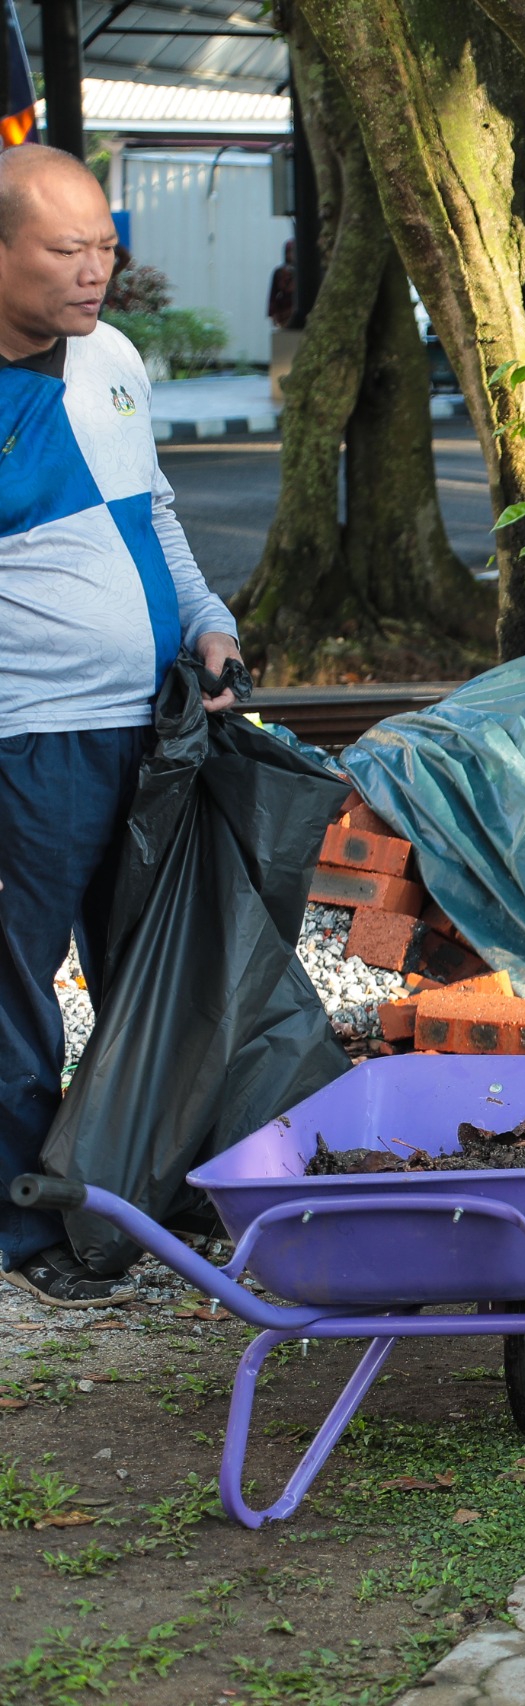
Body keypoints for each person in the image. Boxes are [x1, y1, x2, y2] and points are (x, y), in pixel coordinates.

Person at [0, 145, 242, 1306]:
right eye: (65, 250)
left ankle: (153, 1185)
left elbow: (153, 513)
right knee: (14, 984)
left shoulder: (113, 357)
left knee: (148, 969)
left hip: (151, 724)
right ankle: (26, 1225)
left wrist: (205, 620)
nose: (97, 272)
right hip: (26, 738)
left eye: (105, 244)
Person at [266, 240, 296, 331]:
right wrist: (273, 314)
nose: (292, 255)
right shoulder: (278, 272)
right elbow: (273, 294)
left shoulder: (302, 272)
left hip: (296, 308)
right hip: (283, 310)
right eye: (290, 252)